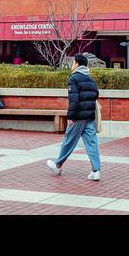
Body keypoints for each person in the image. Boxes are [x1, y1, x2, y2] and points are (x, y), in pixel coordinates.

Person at [46, 53, 101, 181]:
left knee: (68, 141)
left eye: (73, 62)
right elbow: (95, 94)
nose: (72, 65)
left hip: (78, 117)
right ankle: (96, 170)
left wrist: (70, 116)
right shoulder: (90, 79)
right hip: (89, 117)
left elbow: (74, 99)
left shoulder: (74, 78)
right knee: (92, 144)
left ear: (76, 63)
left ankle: (58, 165)